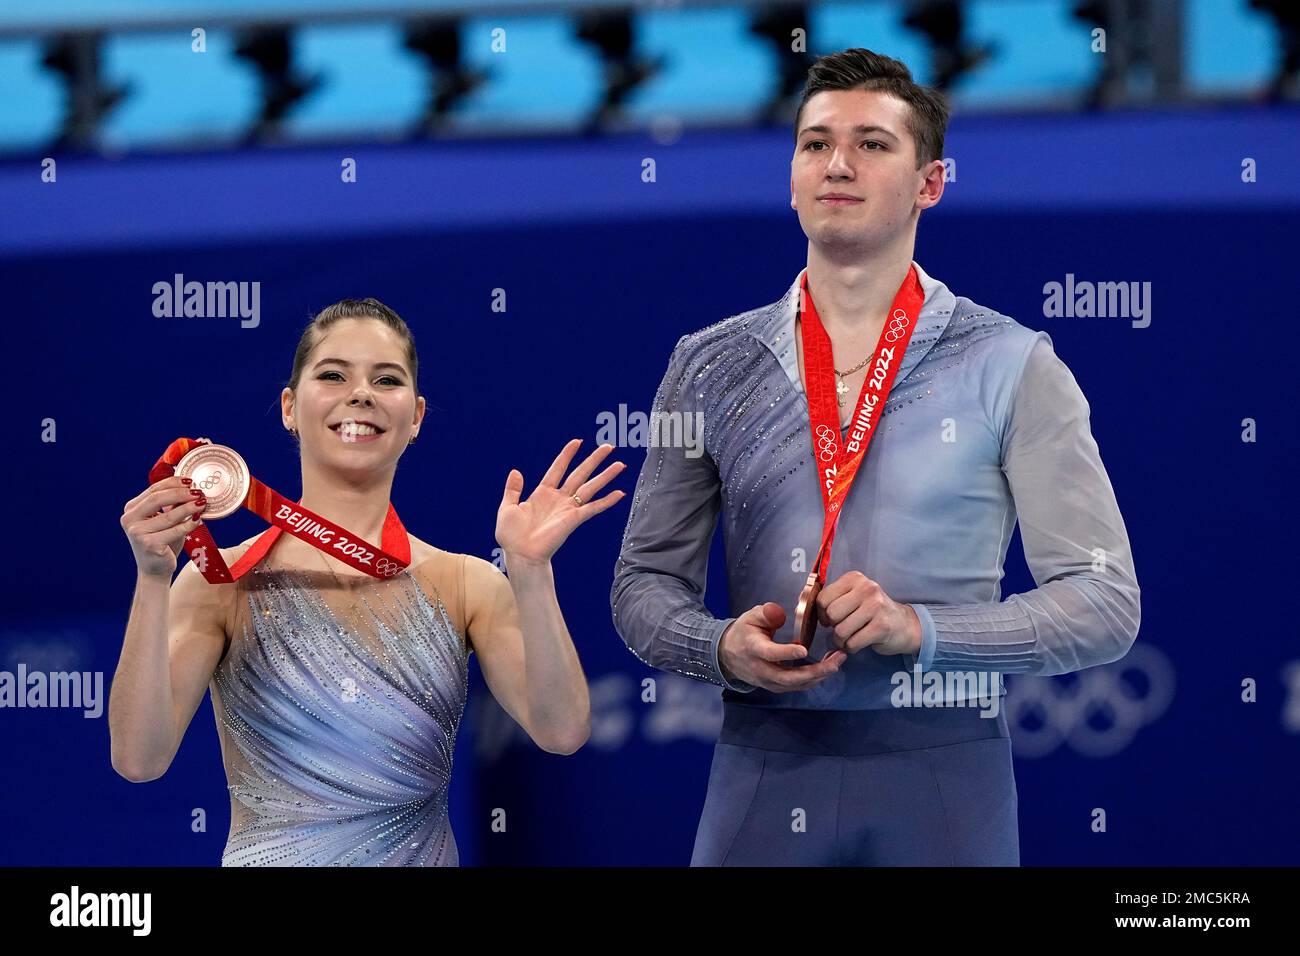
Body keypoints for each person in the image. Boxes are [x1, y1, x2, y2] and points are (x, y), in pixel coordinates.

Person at [610, 48, 1141, 866]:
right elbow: (642, 585)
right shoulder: (710, 364)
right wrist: (717, 647)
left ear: (931, 182)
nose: (838, 164)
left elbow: (1106, 602)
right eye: (815, 144)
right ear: (790, 176)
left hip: (944, 771)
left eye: (872, 144)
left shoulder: (1011, 362)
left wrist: (920, 630)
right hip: (761, 761)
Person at [110, 297, 625, 866]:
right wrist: (152, 579)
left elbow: (562, 730)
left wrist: (530, 572)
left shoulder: (464, 584)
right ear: (289, 406)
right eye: (333, 374)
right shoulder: (221, 583)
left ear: (416, 418)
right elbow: (140, 759)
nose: (361, 394)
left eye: (387, 379)